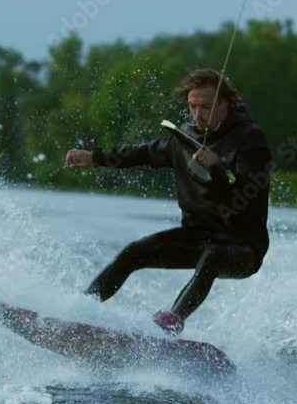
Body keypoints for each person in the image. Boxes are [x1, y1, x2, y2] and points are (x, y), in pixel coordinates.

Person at [64, 68, 273, 336]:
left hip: (243, 247)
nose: (198, 114)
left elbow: (249, 190)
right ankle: (82, 309)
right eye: (193, 106)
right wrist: (95, 158)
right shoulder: (185, 139)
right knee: (135, 251)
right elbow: (143, 153)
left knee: (213, 255)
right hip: (197, 236)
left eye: (206, 107)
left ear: (226, 104)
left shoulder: (250, 140)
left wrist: (218, 167)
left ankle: (170, 323)